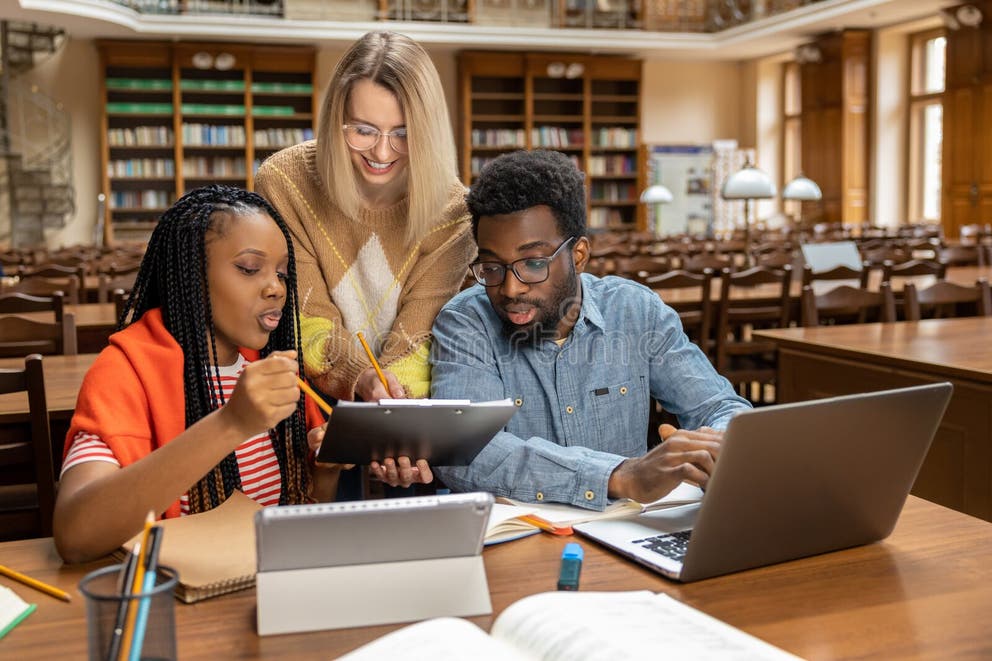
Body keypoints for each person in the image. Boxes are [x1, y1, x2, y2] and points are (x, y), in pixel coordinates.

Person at [430, 150, 752, 509]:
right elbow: (463, 449)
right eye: (492, 267)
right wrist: (621, 476)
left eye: (533, 264)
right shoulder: (465, 322)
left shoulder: (637, 311)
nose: (510, 288)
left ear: (579, 256)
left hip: (627, 529)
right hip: (519, 534)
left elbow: (721, 407)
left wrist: (712, 449)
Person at [53, 186, 348, 563]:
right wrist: (230, 424)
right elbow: (75, 536)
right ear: (190, 275)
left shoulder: (274, 370)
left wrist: (325, 474)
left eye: (282, 273)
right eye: (249, 268)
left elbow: (295, 525)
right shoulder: (125, 371)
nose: (276, 288)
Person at [255, 31, 474, 408]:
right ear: (335, 120)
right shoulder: (285, 182)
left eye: (404, 133)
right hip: (304, 401)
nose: (382, 152)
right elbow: (305, 316)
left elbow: (420, 338)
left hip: (406, 406)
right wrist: (360, 376)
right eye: (363, 130)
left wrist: (386, 405)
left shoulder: (455, 211)